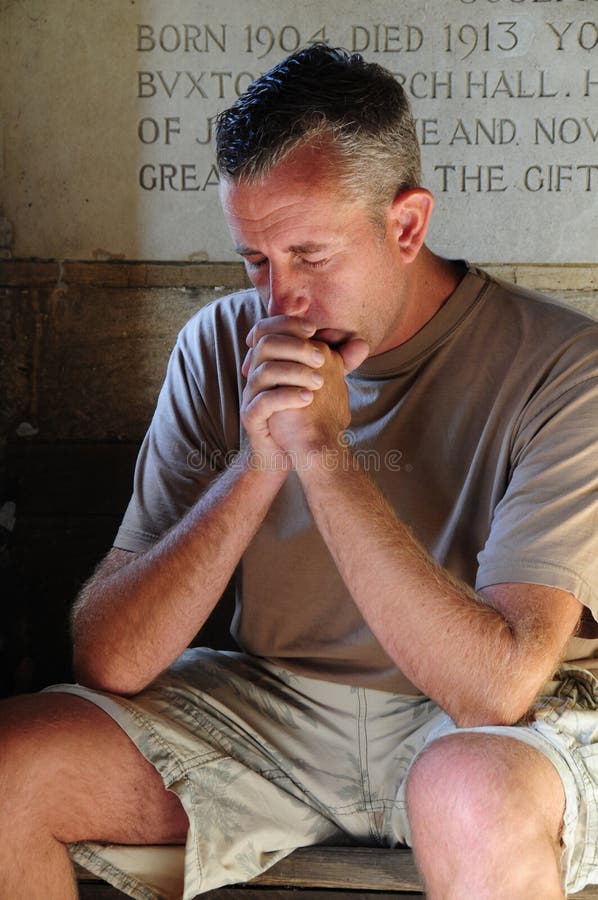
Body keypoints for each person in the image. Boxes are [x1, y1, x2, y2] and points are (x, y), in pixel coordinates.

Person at [1, 44, 598, 900]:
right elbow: (112, 658)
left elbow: (493, 692)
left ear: (405, 227)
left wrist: (321, 453)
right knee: (11, 768)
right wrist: (259, 461)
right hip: (271, 709)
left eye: (311, 255)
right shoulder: (217, 344)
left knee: (473, 795)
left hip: (495, 729)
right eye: (255, 259)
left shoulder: (567, 367)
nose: (279, 302)